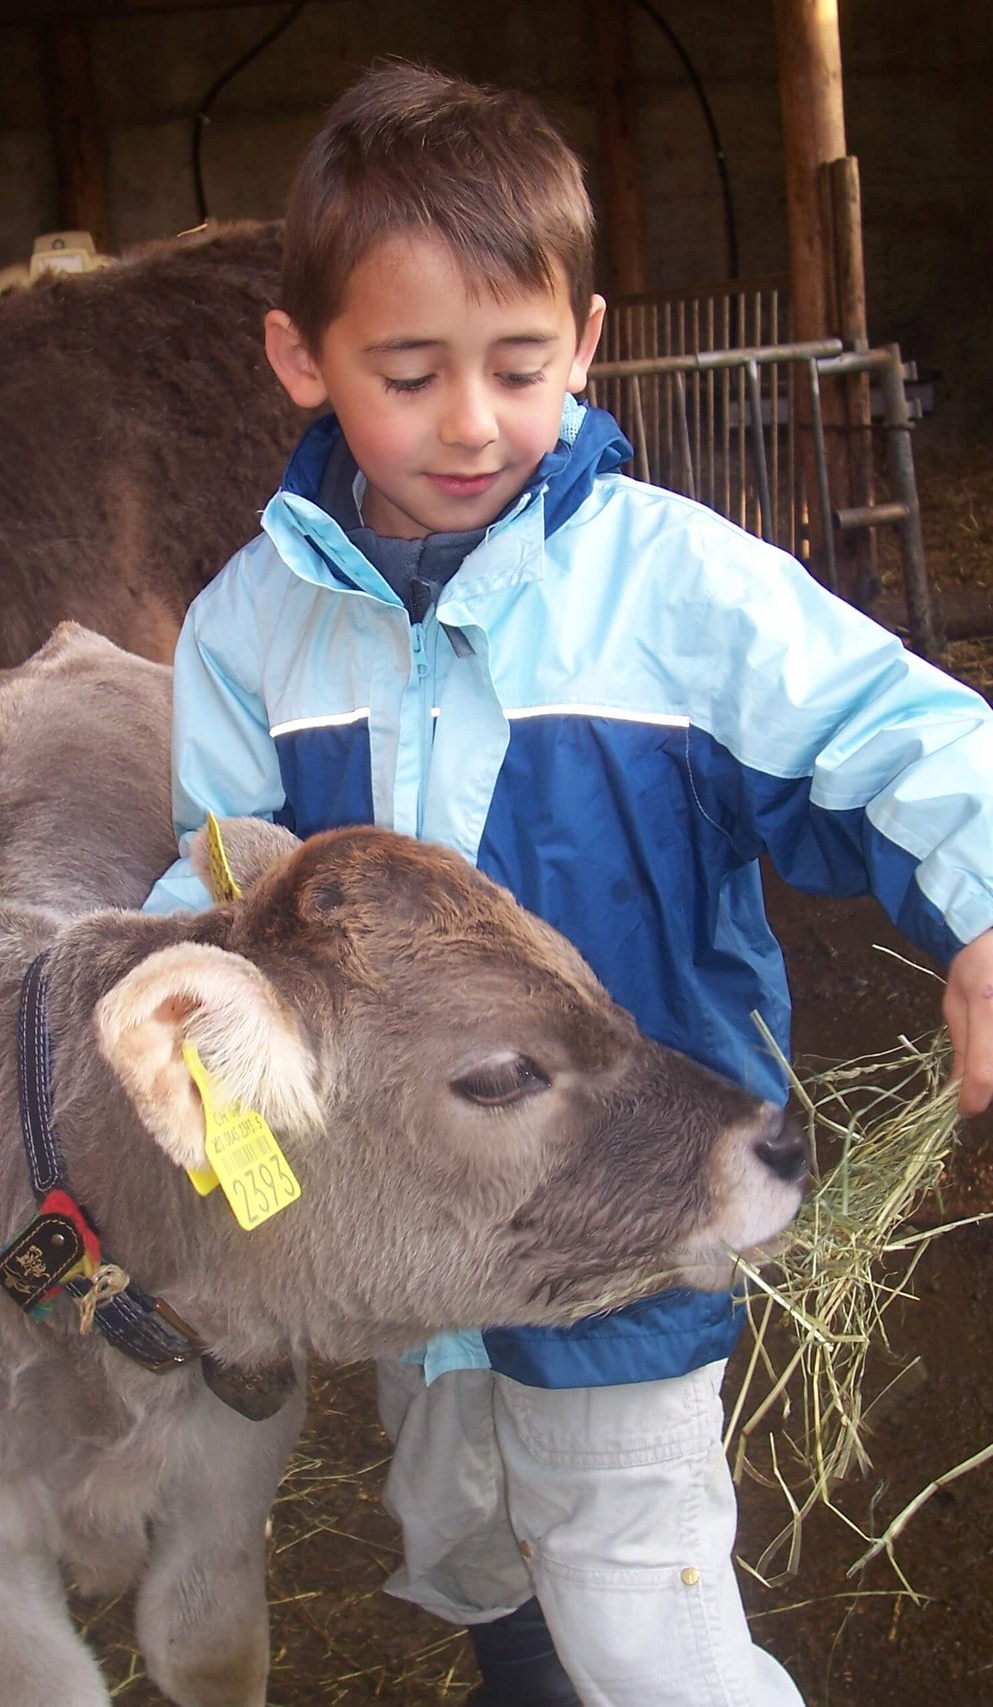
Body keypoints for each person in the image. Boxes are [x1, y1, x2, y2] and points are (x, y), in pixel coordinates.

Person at [143, 61, 993, 1707]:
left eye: (520, 367)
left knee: (640, 1613)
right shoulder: (250, 630)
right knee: (467, 1539)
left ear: (587, 344)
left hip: (634, 1204)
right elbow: (218, 904)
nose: (472, 421)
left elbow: (900, 735)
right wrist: (238, 1187)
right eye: (408, 373)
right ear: (300, 361)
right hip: (406, 1244)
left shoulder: (675, 588)